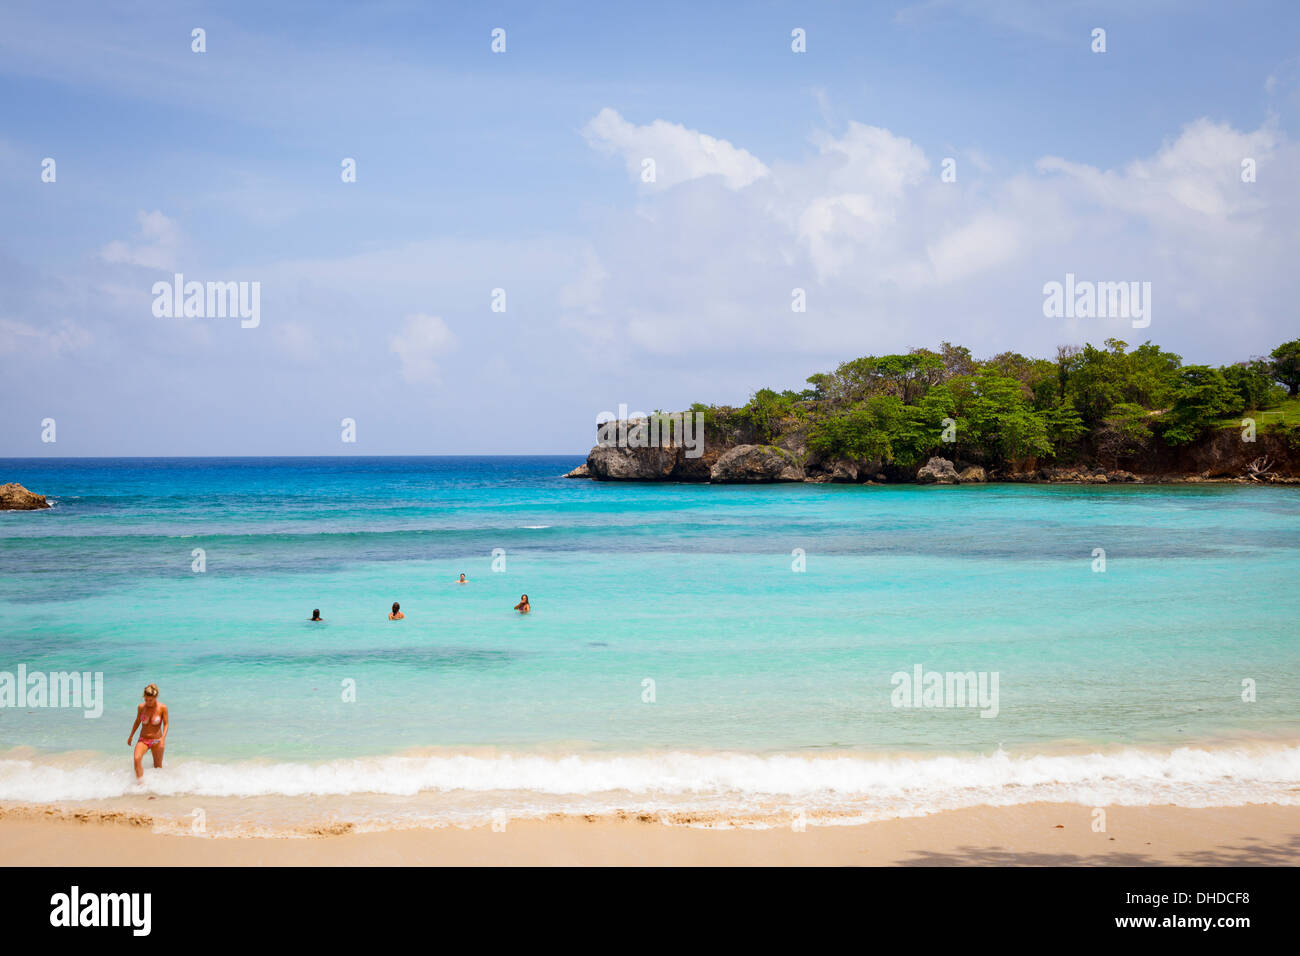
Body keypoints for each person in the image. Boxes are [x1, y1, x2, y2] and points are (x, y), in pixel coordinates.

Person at [128, 684, 168, 781]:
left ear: (155, 697)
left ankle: (158, 787)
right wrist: (131, 736)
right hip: (143, 740)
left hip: (157, 741)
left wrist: (163, 739)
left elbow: (166, 724)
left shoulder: (162, 708)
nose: (148, 702)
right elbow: (137, 721)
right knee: (137, 759)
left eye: (150, 700)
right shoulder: (141, 707)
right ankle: (141, 785)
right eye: (146, 700)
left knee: (158, 767)